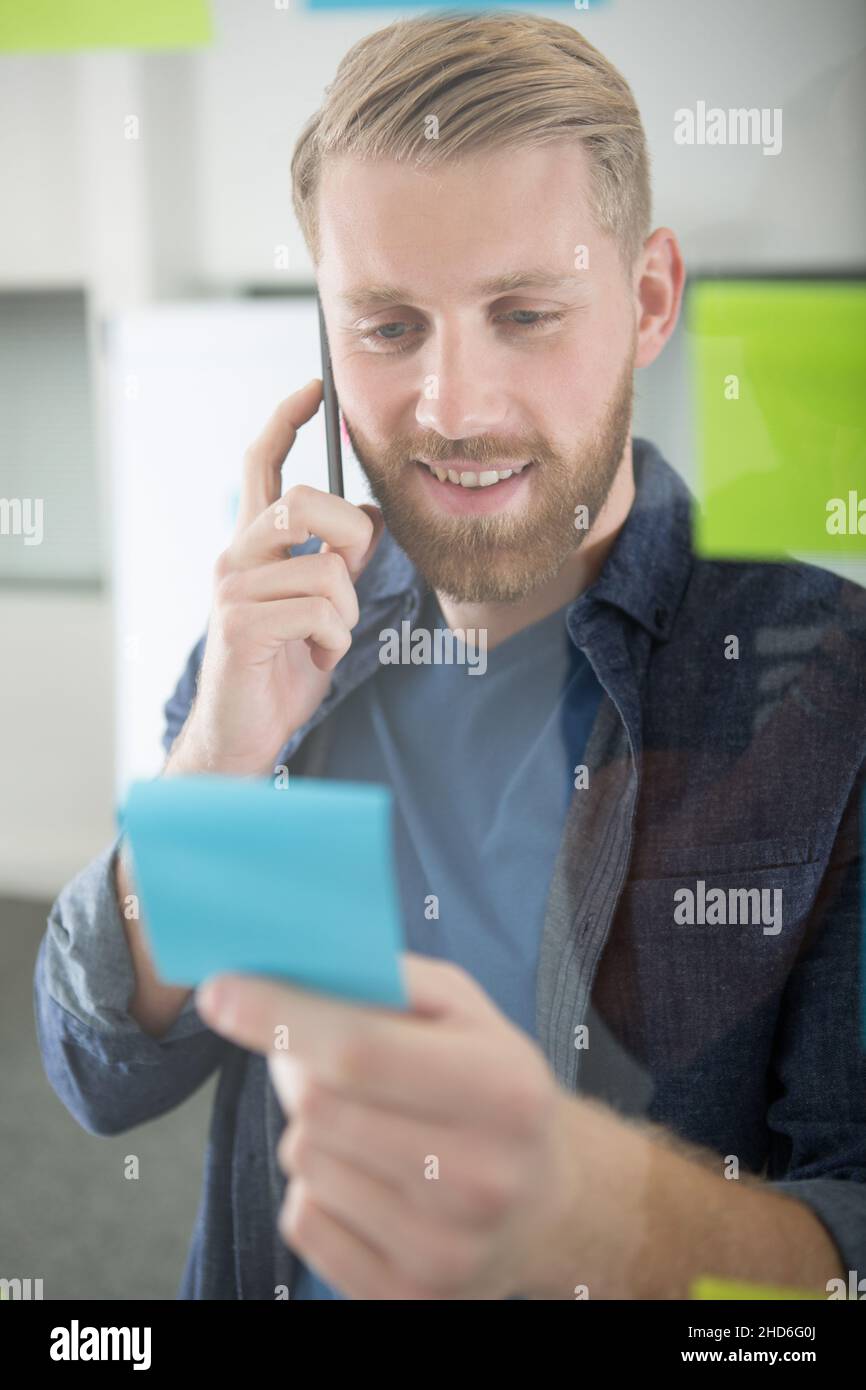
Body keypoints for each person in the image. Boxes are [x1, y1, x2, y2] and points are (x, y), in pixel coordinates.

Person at [34, 11, 866, 1300]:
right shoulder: (295, 640)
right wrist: (218, 760)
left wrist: (607, 1209)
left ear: (647, 301)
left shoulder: (825, 682)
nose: (455, 410)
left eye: (526, 314)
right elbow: (103, 1072)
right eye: (386, 328)